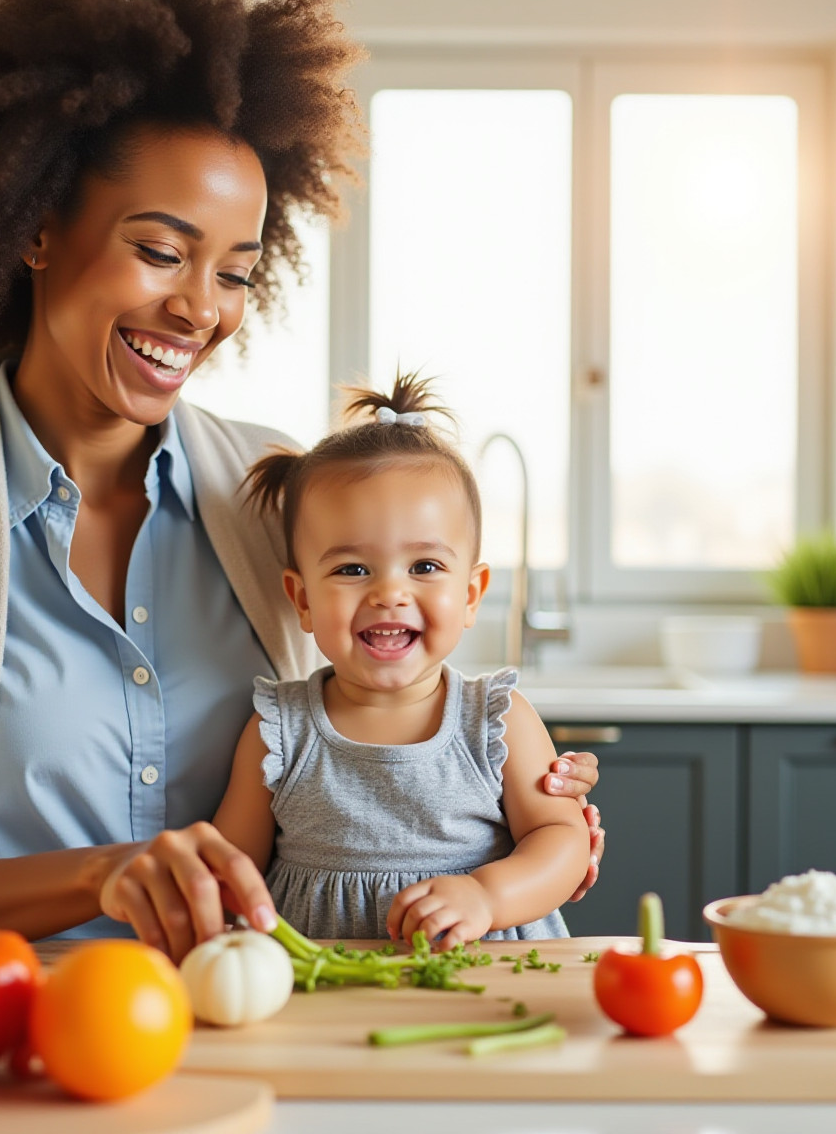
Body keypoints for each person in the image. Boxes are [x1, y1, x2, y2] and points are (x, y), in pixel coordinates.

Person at [0, 0, 604, 958]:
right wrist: (98, 875)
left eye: (235, 272)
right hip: (19, 1012)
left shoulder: (268, 487)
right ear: (35, 225)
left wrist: (514, 824)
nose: (202, 309)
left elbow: (386, 705)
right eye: (161, 251)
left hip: (249, 1012)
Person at [215, 377, 587, 945]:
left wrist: (487, 896)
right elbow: (229, 868)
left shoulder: (497, 720)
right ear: (303, 599)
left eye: (424, 567)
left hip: (485, 980)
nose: (389, 593)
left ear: (470, 594)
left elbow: (562, 840)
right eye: (352, 569)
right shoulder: (277, 733)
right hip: (328, 988)